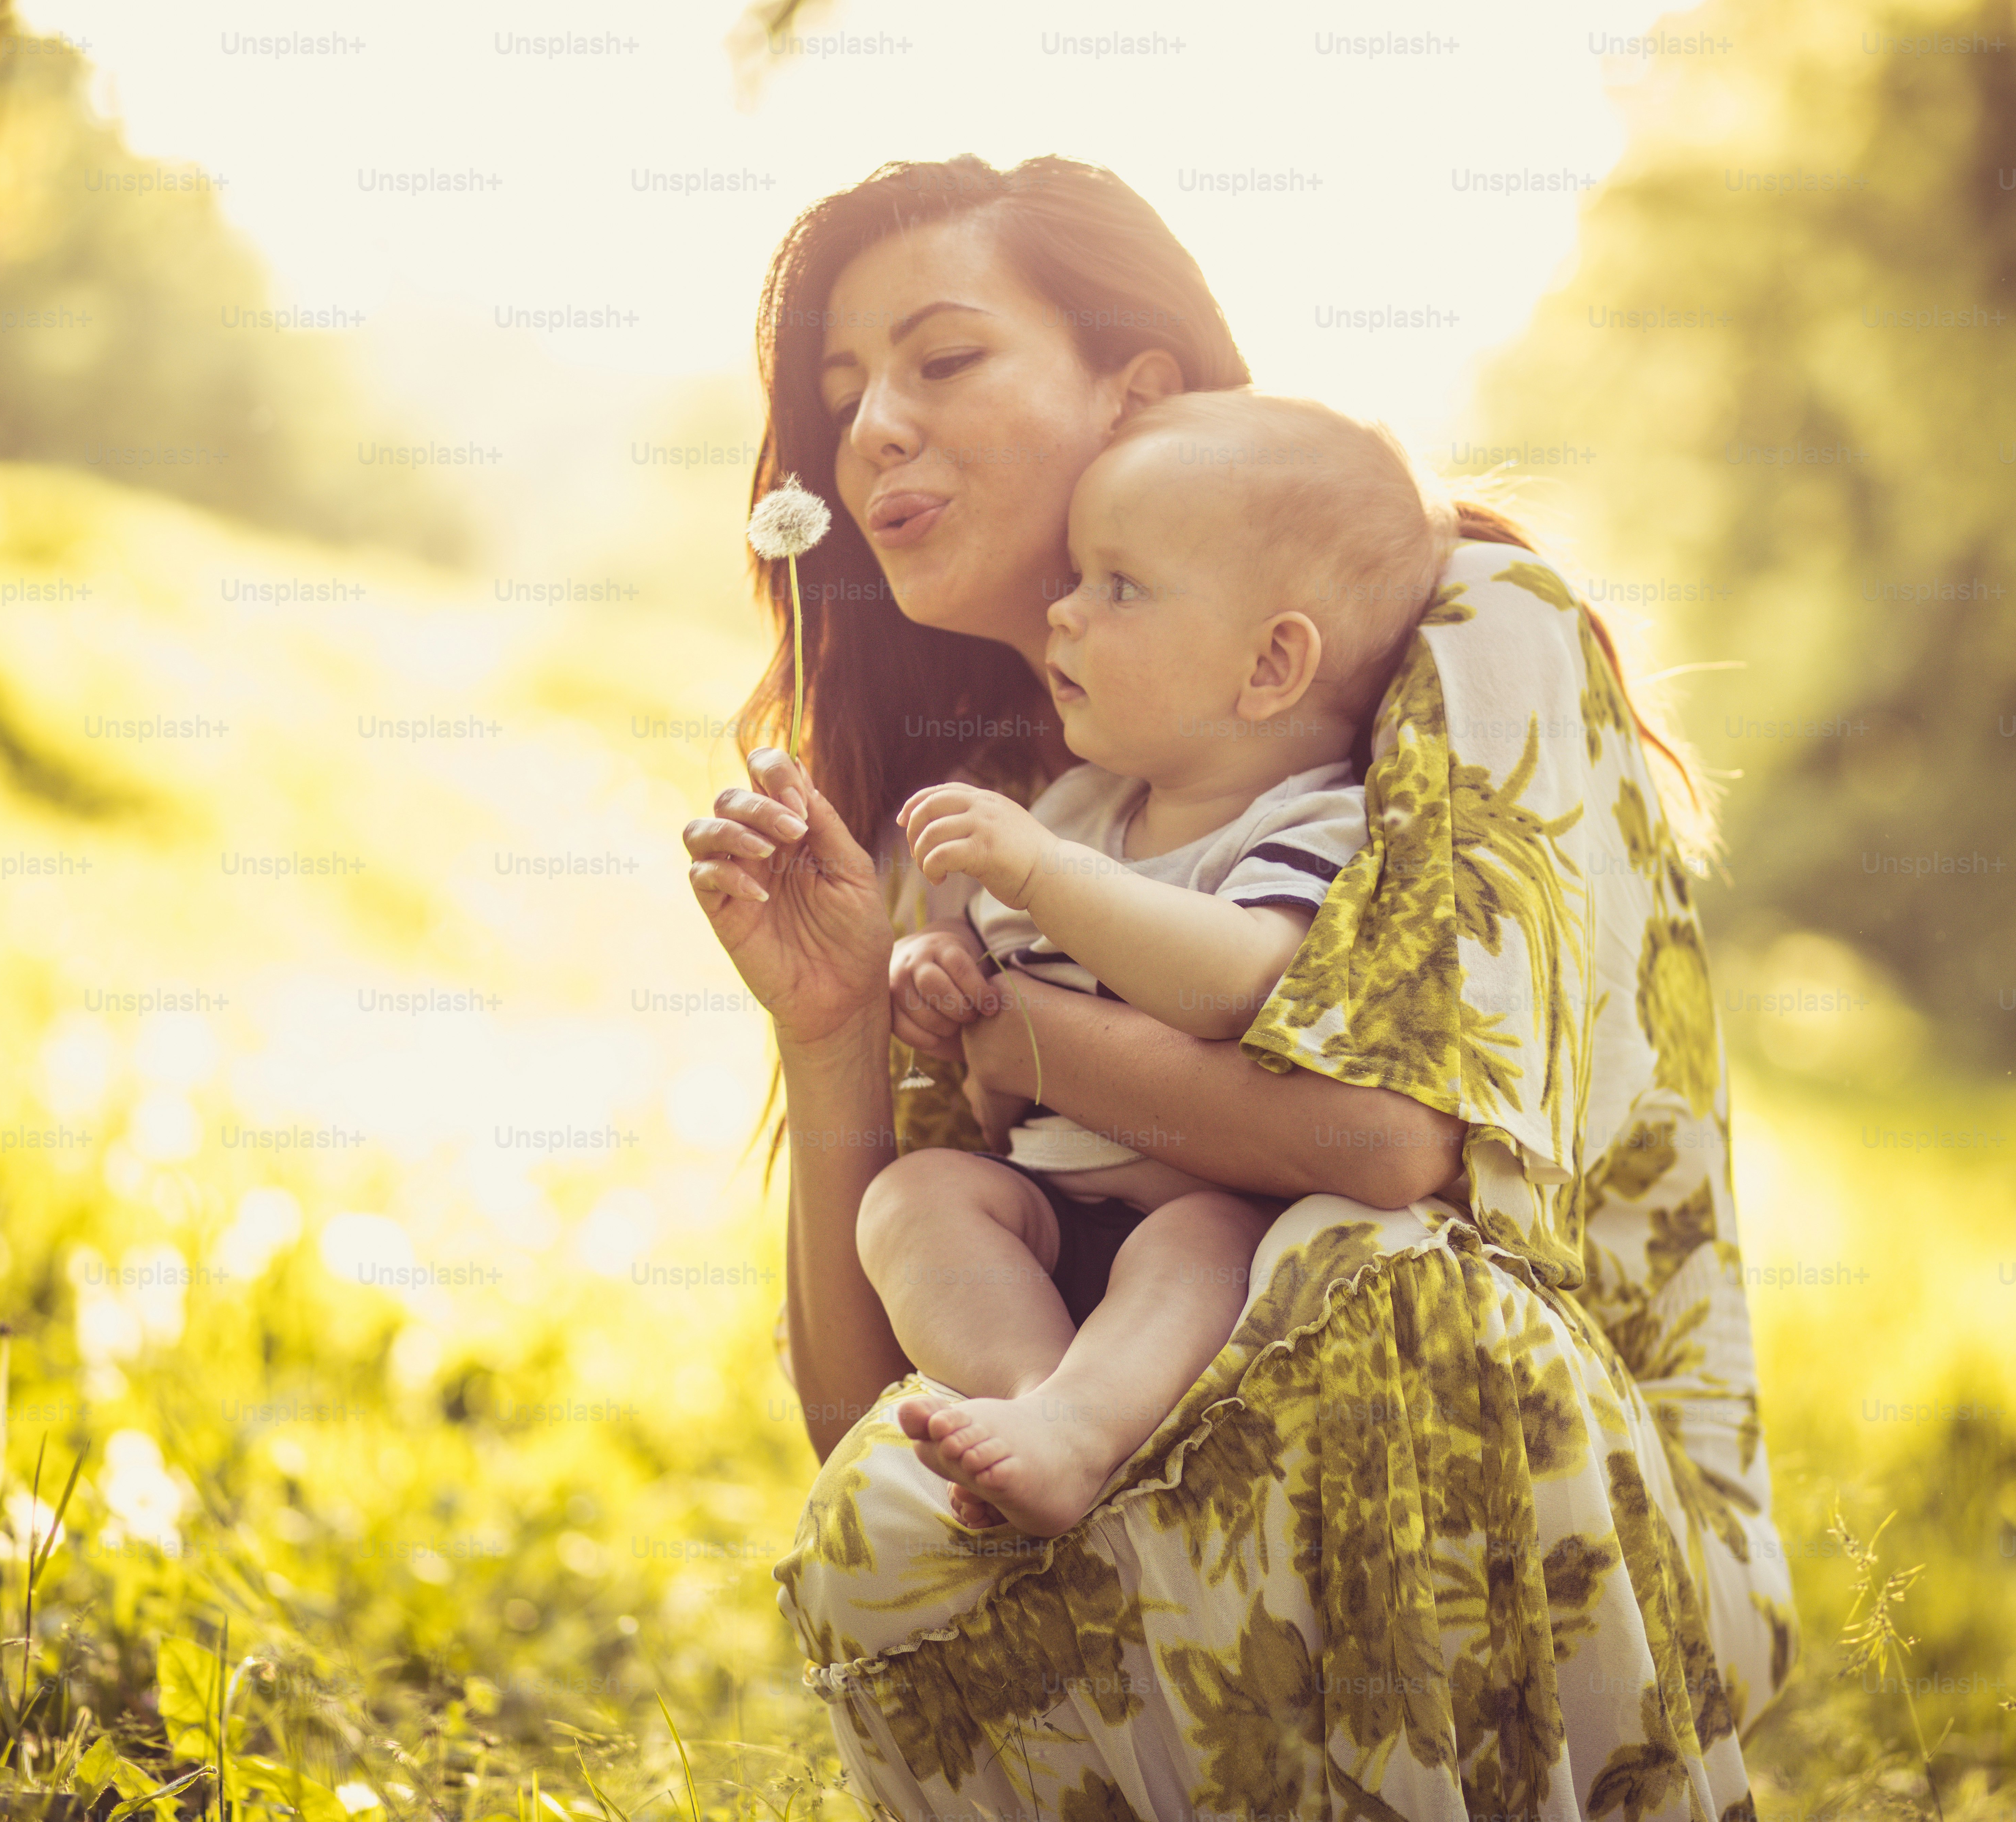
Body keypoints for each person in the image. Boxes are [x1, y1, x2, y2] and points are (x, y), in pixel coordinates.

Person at [681, 153, 1795, 1819]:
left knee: (1356, 1276)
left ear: (1141, 389)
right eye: (843, 396)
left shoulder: (1462, 624)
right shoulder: (996, 797)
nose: (871, 432)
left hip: (1541, 1478)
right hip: (1172, 1446)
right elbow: (863, 1416)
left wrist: (1016, 1034)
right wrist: (833, 1023)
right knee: (895, 1509)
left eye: (945, 358)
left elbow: (1385, 1149)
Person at [862, 392, 1456, 1539]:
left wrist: (1038, 869)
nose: (1065, 615)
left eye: (1118, 587)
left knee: (1201, 1244)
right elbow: (998, 959)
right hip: (1044, 1215)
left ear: (1272, 665)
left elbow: (1233, 981)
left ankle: (1083, 1433)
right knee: (916, 1198)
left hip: (1198, 1219)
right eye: (1075, 578)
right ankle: (1036, 1405)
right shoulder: (1085, 807)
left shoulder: (1306, 823)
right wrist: (937, 965)